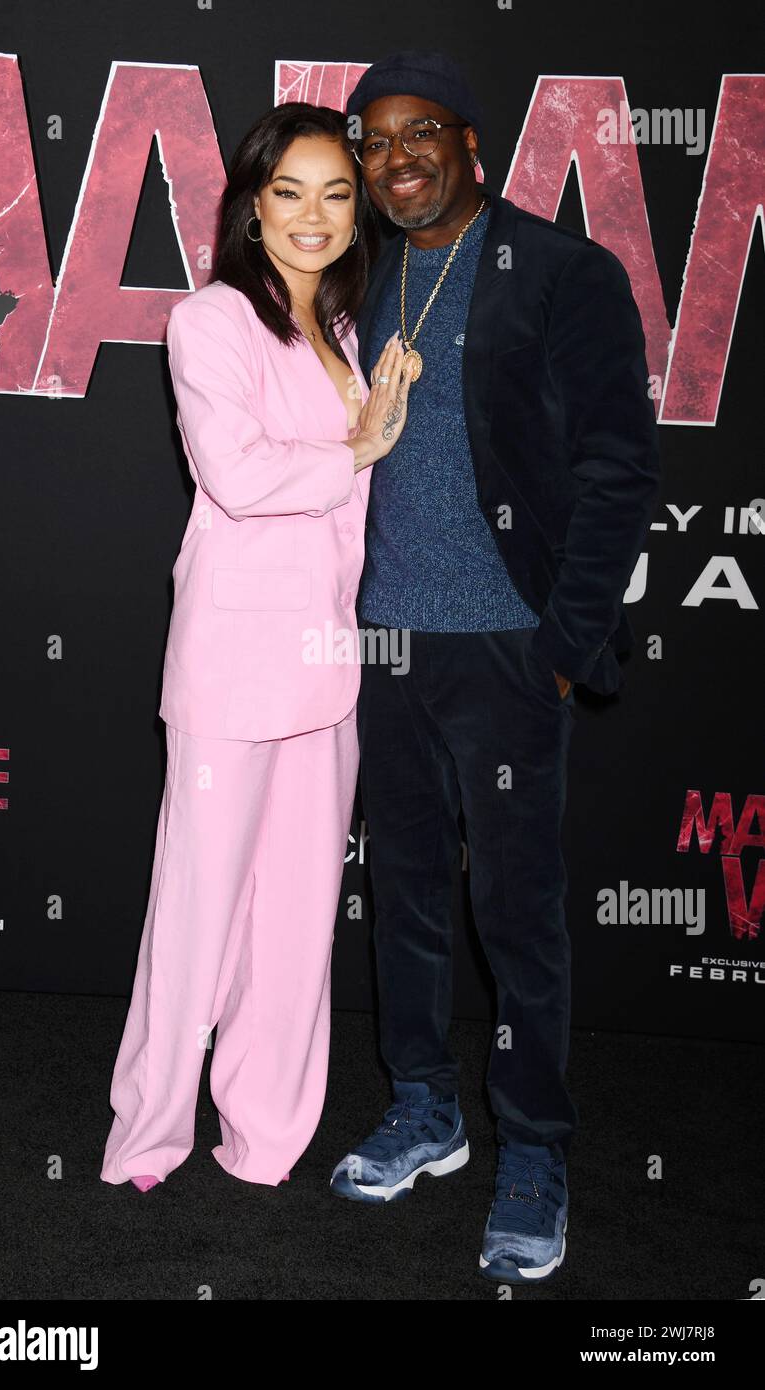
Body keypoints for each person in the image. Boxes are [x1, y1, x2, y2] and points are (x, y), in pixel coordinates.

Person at [330, 51, 661, 1284]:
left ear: (471, 143)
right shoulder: (353, 278)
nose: (394, 156)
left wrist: (563, 652)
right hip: (380, 646)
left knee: (514, 914)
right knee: (403, 893)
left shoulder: (564, 272)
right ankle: (424, 1105)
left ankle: (533, 1145)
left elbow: (618, 471)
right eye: (373, 139)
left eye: (420, 133)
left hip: (508, 654)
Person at [100, 102, 411, 1192]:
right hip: (232, 667)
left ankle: (267, 1135)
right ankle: (147, 1132)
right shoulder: (208, 323)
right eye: (290, 192)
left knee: (293, 921)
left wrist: (370, 429)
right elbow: (232, 478)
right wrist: (356, 446)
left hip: (326, 666)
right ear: (251, 206)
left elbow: (352, 507)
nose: (314, 216)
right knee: (196, 912)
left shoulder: (350, 334)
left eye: (336, 193)